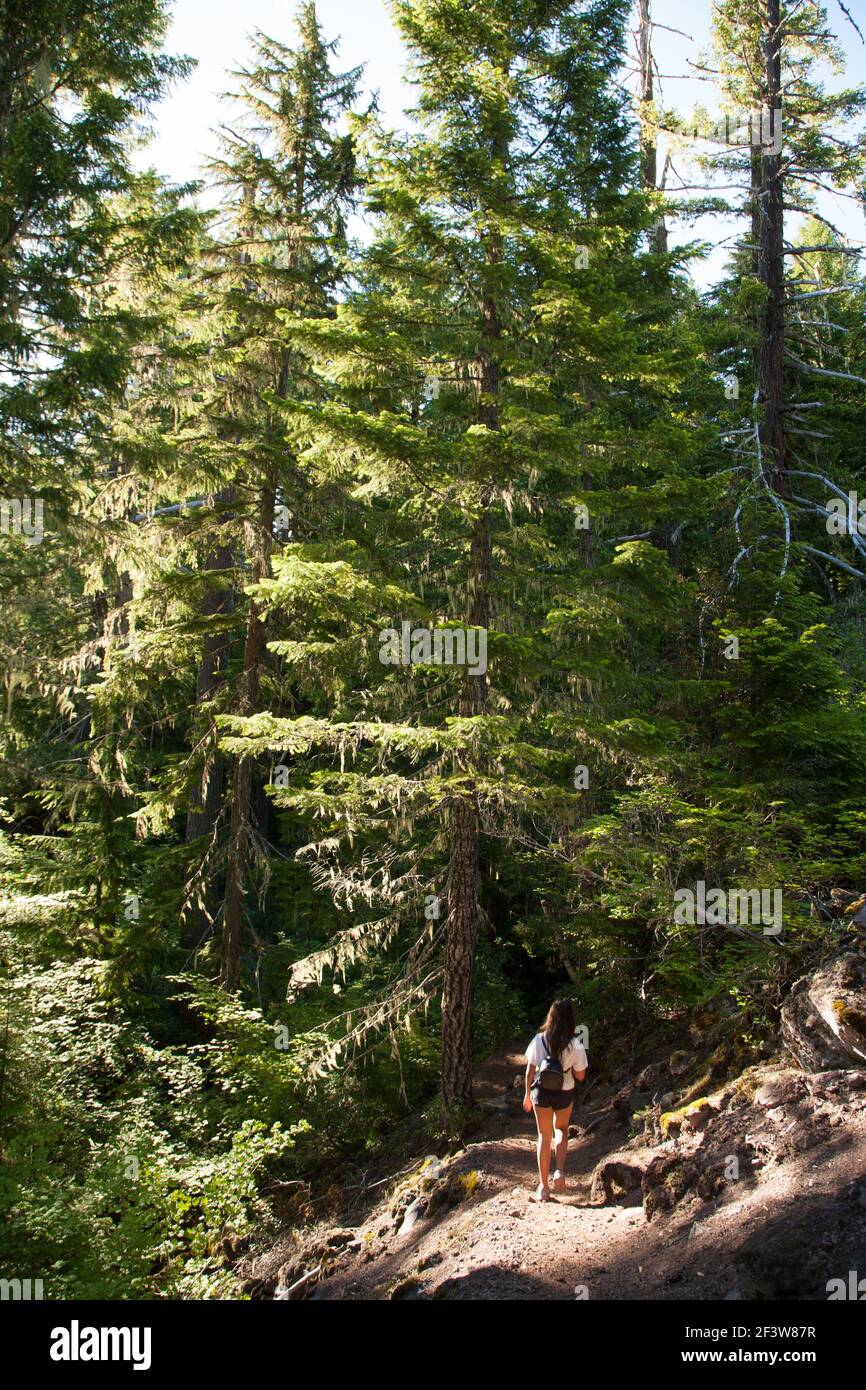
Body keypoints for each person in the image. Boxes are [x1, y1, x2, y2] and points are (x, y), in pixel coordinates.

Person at [523, 998, 588, 1201]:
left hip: (541, 1092)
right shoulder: (576, 1044)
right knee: (561, 1129)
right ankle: (559, 1171)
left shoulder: (539, 1039)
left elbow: (529, 1071)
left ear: (551, 1017)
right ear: (571, 1020)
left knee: (544, 1136)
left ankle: (543, 1187)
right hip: (564, 1091)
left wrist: (526, 1093)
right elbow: (581, 1076)